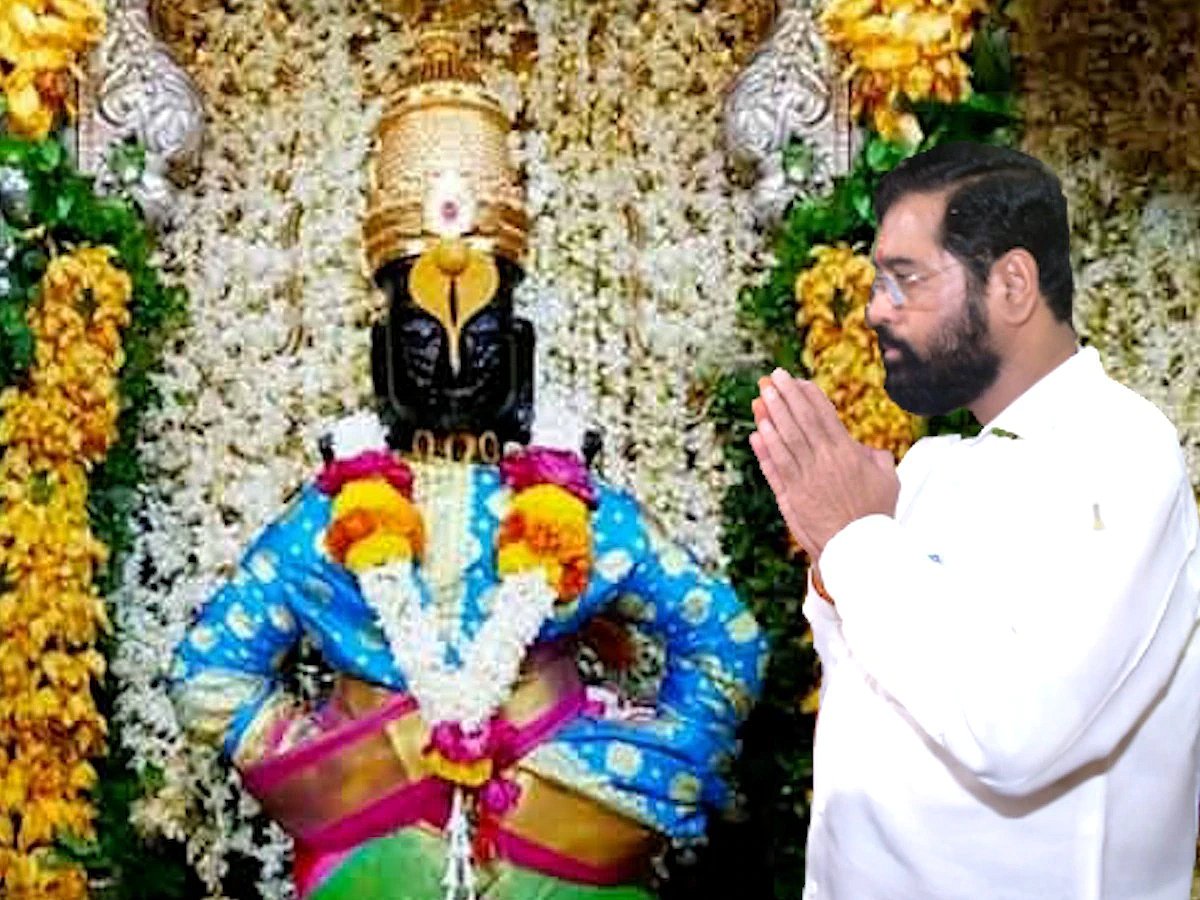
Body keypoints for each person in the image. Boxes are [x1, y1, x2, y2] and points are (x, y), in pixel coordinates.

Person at [170, 30, 767, 900]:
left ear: (519, 348)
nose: (453, 358)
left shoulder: (581, 515)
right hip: (371, 857)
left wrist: (615, 779)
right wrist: (355, 774)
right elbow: (207, 677)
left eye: (480, 335)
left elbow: (728, 644)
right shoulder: (331, 527)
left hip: (561, 852)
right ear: (381, 358)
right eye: (421, 338)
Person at [749, 141, 1200, 899]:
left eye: (906, 279)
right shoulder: (929, 467)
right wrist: (837, 546)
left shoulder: (1122, 449)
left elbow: (1017, 731)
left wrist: (856, 541)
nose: (875, 310)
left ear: (1012, 283)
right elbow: (872, 686)